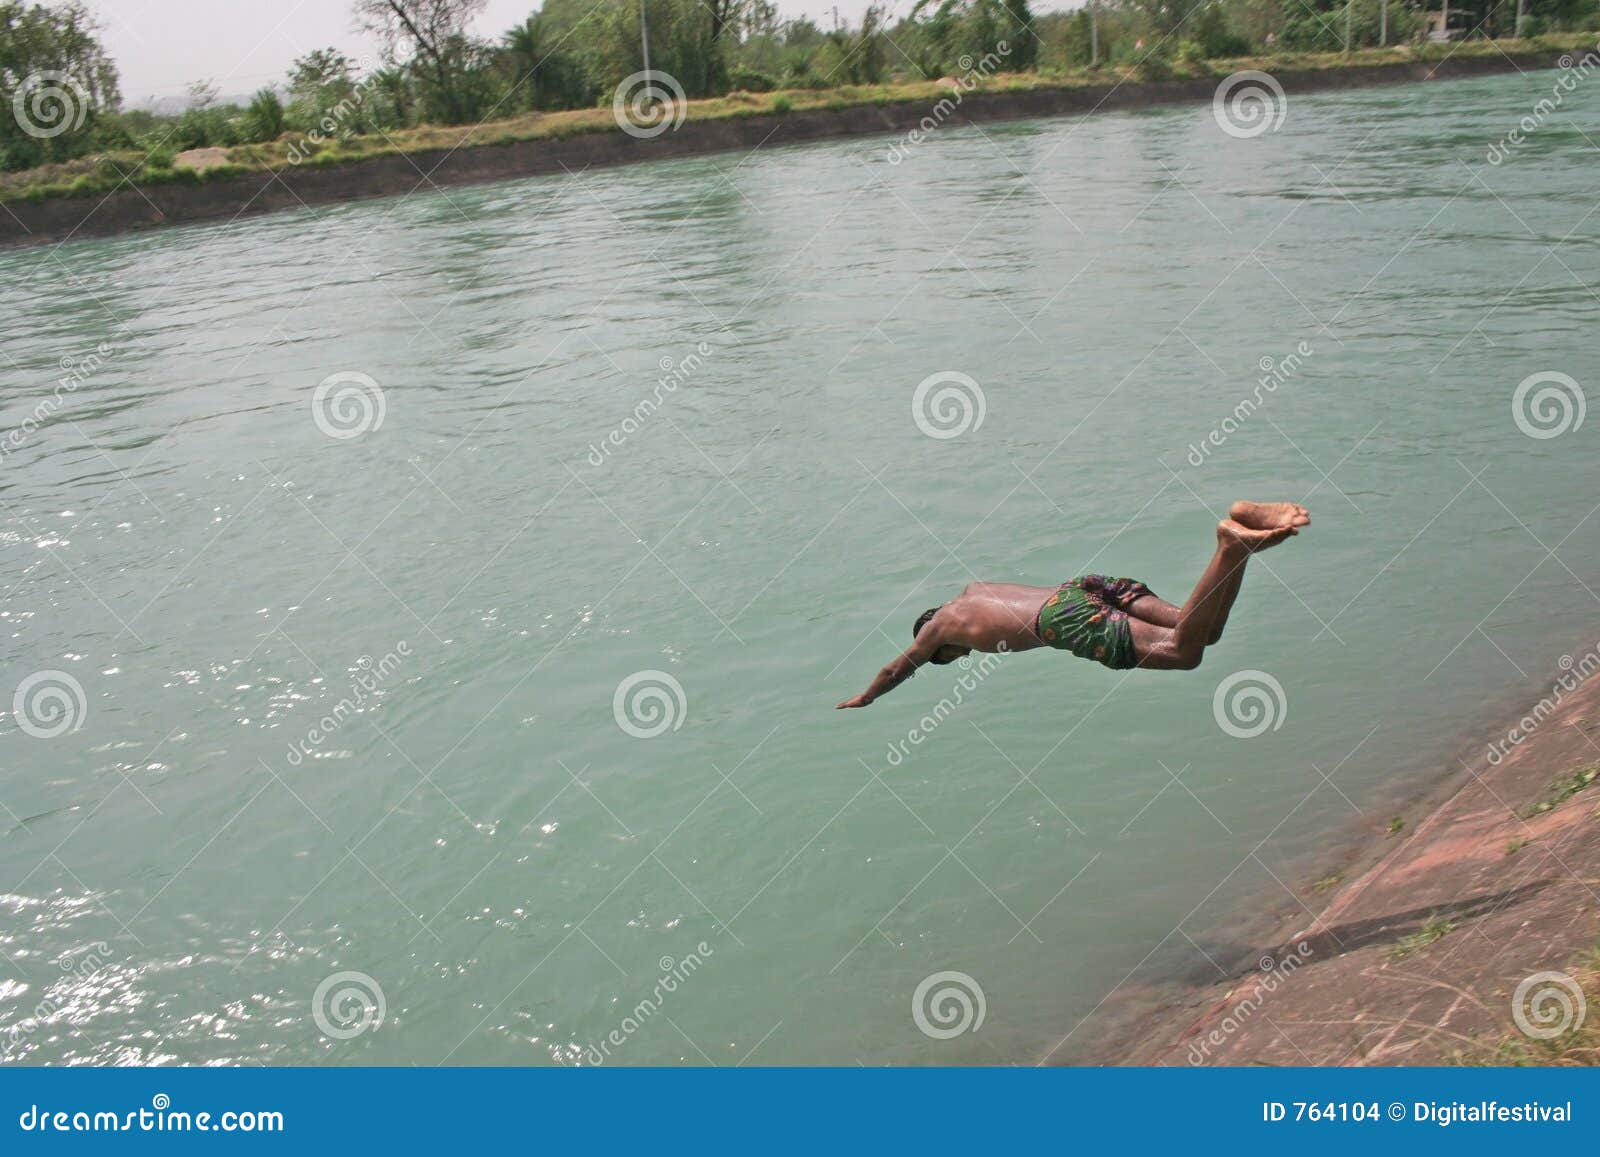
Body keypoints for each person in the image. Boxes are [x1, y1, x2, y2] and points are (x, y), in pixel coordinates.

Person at [835, 501, 1309, 708]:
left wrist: (868, 696)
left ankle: (1228, 545)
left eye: (953, 657)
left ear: (939, 643)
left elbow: (897, 668)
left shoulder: (939, 628)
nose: (963, 656)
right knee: (1202, 629)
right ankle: (1243, 540)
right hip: (1081, 587)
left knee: (1183, 654)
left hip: (1062, 617)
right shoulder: (974, 590)